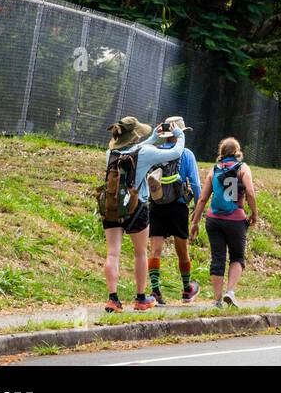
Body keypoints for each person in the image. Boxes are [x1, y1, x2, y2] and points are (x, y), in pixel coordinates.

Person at [99, 116, 184, 312]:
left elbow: (132, 151)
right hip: (137, 207)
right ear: (136, 135)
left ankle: (113, 299)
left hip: (112, 207)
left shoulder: (109, 153)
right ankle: (140, 298)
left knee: (113, 253)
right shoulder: (145, 152)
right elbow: (175, 153)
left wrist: (153, 137)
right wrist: (178, 135)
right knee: (140, 253)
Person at [190, 137, 257, 308]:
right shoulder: (243, 168)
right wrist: (254, 213)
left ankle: (217, 300)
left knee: (217, 258)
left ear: (221, 153)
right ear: (237, 152)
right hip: (235, 219)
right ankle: (230, 292)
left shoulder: (214, 170)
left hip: (214, 220)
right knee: (237, 257)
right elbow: (249, 191)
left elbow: (203, 199)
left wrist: (195, 222)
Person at [146, 115, 202, 305]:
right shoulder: (186, 154)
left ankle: (155, 292)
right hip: (178, 206)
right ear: (180, 133)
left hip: (156, 206)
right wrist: (197, 210)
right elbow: (196, 184)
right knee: (182, 251)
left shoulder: (153, 152)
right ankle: (187, 289)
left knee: (155, 251)